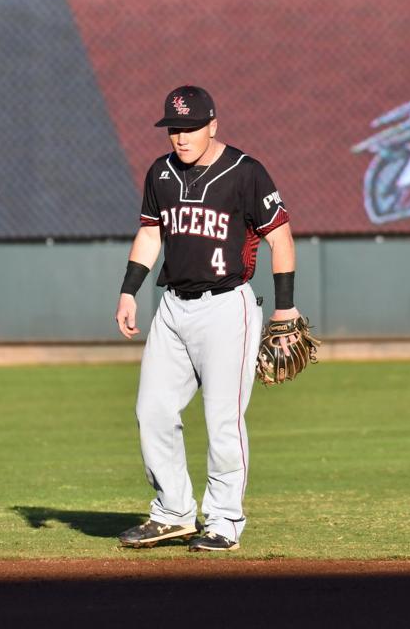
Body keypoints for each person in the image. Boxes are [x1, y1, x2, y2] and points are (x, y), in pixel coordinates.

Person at [114, 84, 304, 552]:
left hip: (226, 308)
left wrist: (285, 306)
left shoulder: (245, 172)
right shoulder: (160, 173)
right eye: (173, 129)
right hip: (172, 307)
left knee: (223, 421)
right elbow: (150, 234)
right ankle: (173, 513)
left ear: (213, 125)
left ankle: (224, 521)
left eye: (191, 127)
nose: (181, 137)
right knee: (152, 411)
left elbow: (280, 238)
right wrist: (129, 290)